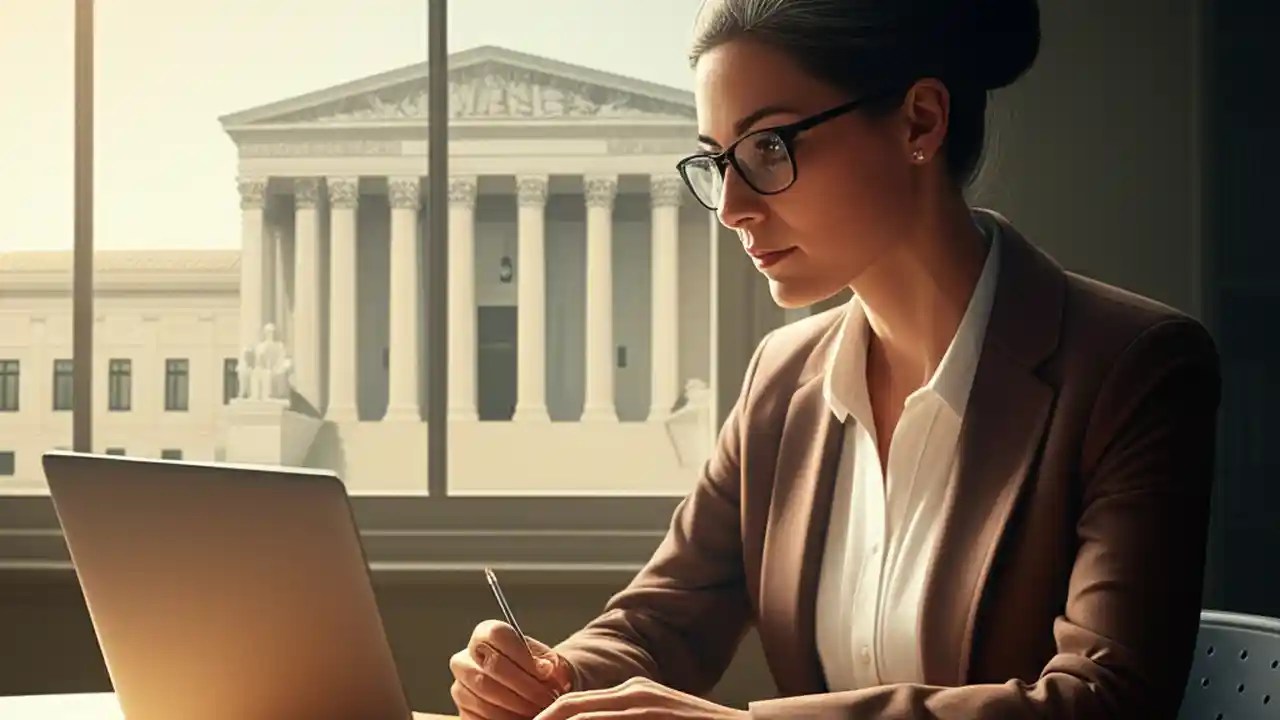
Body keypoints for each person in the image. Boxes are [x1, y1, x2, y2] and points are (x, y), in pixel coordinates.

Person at [449, 0, 1221, 717]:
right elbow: (661, 619)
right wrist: (555, 674)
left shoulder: (1133, 366)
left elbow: (1106, 700)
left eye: (769, 147)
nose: (734, 207)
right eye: (717, 162)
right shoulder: (781, 379)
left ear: (920, 121)